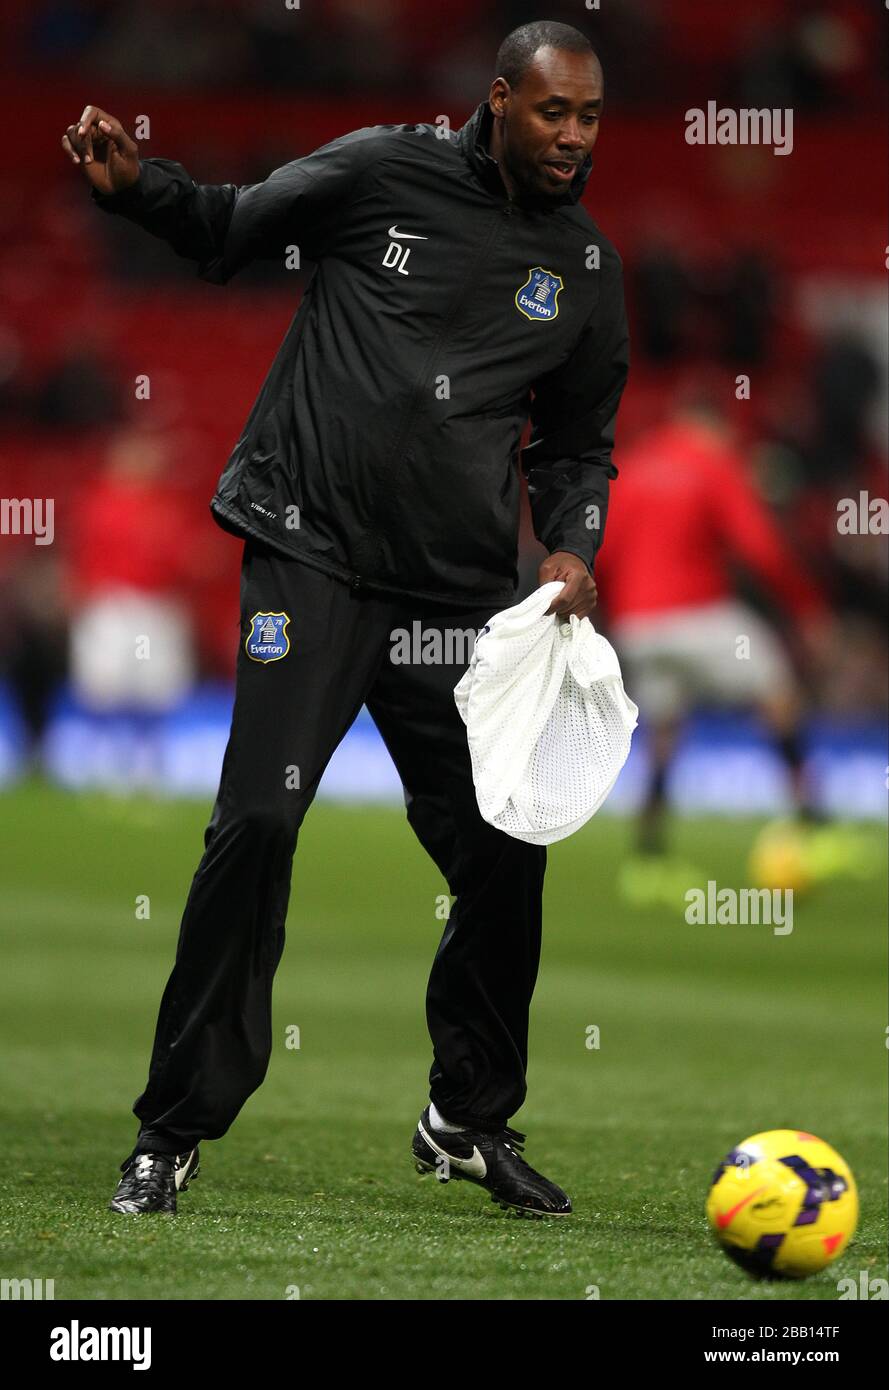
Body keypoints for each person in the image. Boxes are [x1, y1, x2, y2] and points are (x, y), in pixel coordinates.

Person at [61, 19, 629, 1218]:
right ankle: (172, 1129)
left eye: (588, 117)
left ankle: (467, 1117)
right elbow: (225, 225)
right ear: (497, 101)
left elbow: (577, 445)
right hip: (308, 554)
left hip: (453, 597)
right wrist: (137, 189)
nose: (574, 137)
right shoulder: (381, 169)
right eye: (552, 114)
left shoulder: (581, 270)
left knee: (504, 844)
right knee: (259, 822)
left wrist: (573, 548)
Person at [595, 395, 830, 900]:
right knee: (778, 689)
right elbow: (759, 545)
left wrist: (615, 618)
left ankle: (648, 861)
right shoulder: (712, 462)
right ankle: (814, 824)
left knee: (663, 731)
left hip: (639, 624)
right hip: (698, 612)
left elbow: (603, 550)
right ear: (709, 425)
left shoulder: (633, 467)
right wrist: (806, 606)